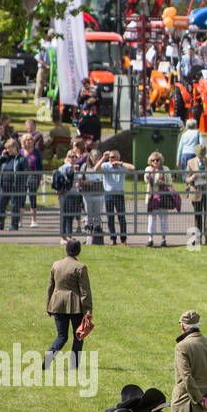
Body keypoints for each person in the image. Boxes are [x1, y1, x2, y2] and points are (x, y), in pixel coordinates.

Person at [44, 239, 92, 369]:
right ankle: (74, 365)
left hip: (57, 304)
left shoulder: (56, 265)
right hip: (75, 306)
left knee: (61, 336)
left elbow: (50, 287)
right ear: (79, 251)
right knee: (78, 336)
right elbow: (85, 291)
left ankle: (49, 356)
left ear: (66, 250)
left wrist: (48, 305)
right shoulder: (80, 267)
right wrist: (88, 311)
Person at [99, 150, 133, 245]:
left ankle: (123, 239)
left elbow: (133, 168)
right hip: (108, 194)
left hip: (119, 194)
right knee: (110, 218)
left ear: (118, 158)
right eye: (110, 157)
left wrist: (120, 164)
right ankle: (112, 238)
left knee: (121, 217)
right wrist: (103, 158)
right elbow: (95, 169)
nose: (111, 159)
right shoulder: (106, 166)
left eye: (113, 157)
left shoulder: (121, 167)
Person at [0, 137, 29, 230]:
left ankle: (14, 225)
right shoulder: (5, 159)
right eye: (7, 148)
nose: (8, 150)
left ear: (15, 148)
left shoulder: (21, 159)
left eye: (10, 147)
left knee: (15, 206)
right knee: (0, 204)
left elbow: (26, 172)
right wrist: (2, 156)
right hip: (3, 186)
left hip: (15, 186)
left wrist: (21, 183)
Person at [144, 152, 174, 247]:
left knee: (163, 218)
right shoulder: (148, 169)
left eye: (157, 160)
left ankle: (163, 239)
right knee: (151, 219)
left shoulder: (165, 169)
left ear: (161, 160)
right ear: (150, 161)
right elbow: (146, 180)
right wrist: (148, 177)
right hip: (152, 197)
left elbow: (171, 183)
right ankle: (150, 239)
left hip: (163, 196)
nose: (155, 162)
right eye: (153, 160)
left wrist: (163, 183)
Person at [20, 133, 43, 227]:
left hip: (34, 176)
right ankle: (20, 220)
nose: (30, 141)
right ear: (24, 142)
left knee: (32, 197)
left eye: (31, 140)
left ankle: (33, 220)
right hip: (22, 177)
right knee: (21, 198)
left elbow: (40, 166)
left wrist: (41, 178)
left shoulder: (37, 152)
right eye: (28, 140)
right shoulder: (20, 152)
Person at [185, 145, 207, 236]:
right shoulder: (190, 162)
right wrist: (191, 178)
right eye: (199, 156)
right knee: (197, 215)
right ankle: (197, 236)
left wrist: (205, 175)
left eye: (202, 156)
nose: (201, 158)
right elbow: (186, 179)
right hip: (196, 192)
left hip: (206, 191)